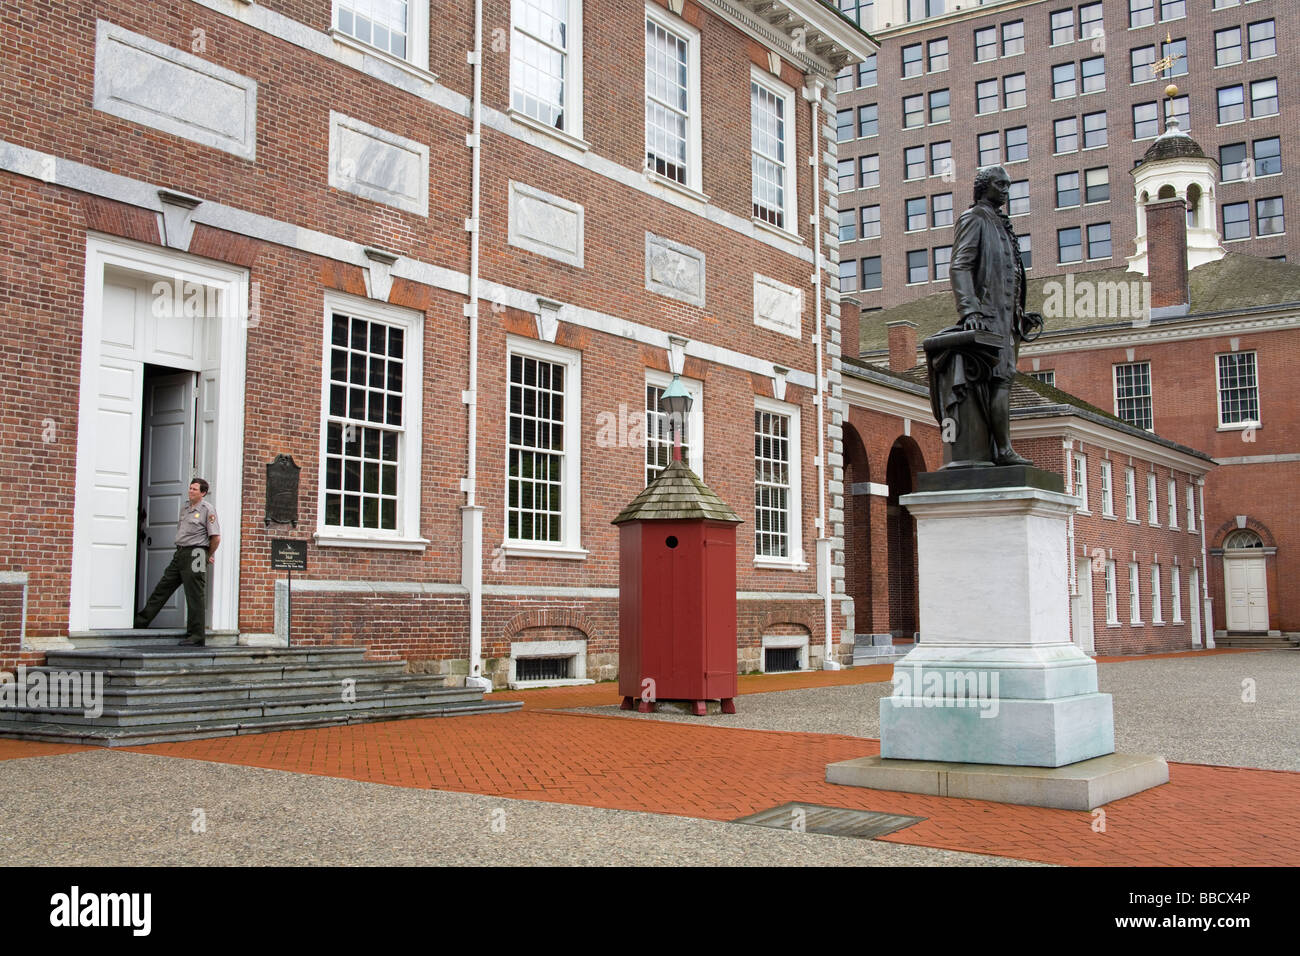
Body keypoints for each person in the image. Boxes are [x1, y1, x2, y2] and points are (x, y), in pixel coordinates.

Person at [938, 164, 1042, 466]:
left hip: (1007, 319)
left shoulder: (1000, 224)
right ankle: (1002, 450)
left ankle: (1000, 449)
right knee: (998, 380)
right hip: (986, 318)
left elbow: (1008, 278)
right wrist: (969, 310)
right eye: (1000, 185)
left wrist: (1021, 314)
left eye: (1008, 185)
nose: (1006, 191)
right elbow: (960, 265)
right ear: (984, 186)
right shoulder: (974, 218)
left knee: (1003, 381)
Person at [134, 478, 220, 644]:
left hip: (196, 553)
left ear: (203, 493)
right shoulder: (185, 508)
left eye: (195, 489)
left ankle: (196, 636)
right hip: (180, 552)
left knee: (195, 595)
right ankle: (142, 621)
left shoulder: (208, 510)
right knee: (163, 587)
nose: (191, 491)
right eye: (190, 488)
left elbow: (215, 538)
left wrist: (205, 554)